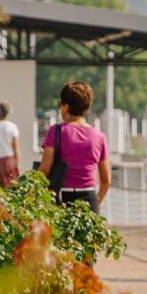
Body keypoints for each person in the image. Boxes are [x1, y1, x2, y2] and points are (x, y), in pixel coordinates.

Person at [39, 80, 111, 213]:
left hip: (61, 199)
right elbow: (106, 181)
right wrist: (97, 202)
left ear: (66, 106)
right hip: (90, 199)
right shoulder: (99, 136)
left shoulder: (56, 131)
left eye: (60, 104)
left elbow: (44, 170)